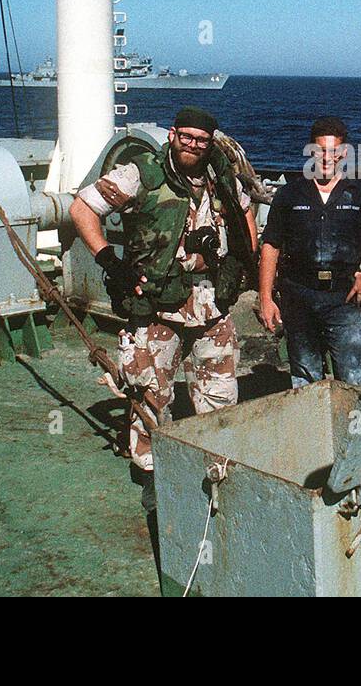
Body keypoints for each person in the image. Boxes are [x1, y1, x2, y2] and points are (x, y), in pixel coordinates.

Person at [68, 106, 258, 482]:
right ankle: (151, 477)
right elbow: (81, 209)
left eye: (201, 140)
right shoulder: (141, 173)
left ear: (209, 144)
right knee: (152, 397)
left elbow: (246, 220)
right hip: (157, 308)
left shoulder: (223, 179)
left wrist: (237, 262)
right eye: (185, 136)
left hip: (211, 306)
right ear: (172, 135)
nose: (192, 145)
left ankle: (216, 469)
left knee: (220, 396)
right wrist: (111, 261)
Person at [258, 118, 361, 387]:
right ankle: (312, 426)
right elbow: (270, 245)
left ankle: (349, 426)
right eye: (319, 151)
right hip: (298, 298)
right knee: (305, 377)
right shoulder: (290, 194)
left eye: (333, 152)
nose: (326, 158)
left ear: (344, 153)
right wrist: (265, 297)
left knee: (352, 376)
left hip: (344, 298)